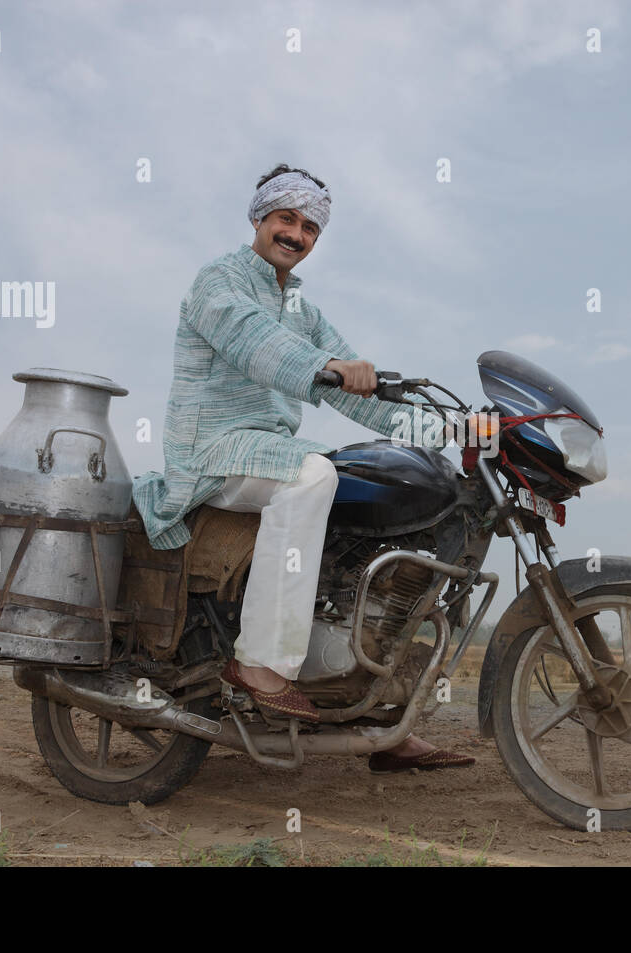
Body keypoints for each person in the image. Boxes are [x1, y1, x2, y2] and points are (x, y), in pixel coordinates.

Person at [132, 164, 474, 773]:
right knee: (314, 473)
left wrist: (454, 428)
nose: (296, 233)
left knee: (399, 510)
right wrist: (332, 368)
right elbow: (256, 343)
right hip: (212, 446)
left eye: (310, 225)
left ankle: (377, 716)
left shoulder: (302, 309)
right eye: (286, 219)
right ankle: (259, 662)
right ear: (260, 219)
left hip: (264, 450)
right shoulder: (220, 281)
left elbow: (356, 391)